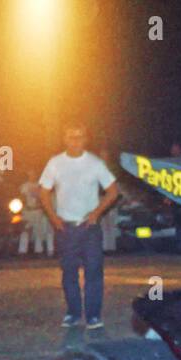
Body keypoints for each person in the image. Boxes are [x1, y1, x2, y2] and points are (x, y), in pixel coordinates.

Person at [38, 124, 120, 329]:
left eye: (79, 136)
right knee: (69, 272)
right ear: (65, 139)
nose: (75, 140)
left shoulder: (95, 163)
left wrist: (96, 212)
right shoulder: (55, 163)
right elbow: (43, 192)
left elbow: (113, 191)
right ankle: (73, 313)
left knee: (93, 270)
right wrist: (53, 217)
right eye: (71, 136)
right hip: (66, 227)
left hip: (89, 227)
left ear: (85, 139)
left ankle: (93, 315)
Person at [18, 168, 53, 256]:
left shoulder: (40, 186)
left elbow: (44, 198)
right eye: (30, 174)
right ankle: (22, 251)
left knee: (38, 231)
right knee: (25, 231)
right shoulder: (24, 186)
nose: (32, 176)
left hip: (38, 211)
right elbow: (21, 198)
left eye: (34, 174)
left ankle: (38, 251)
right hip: (27, 211)